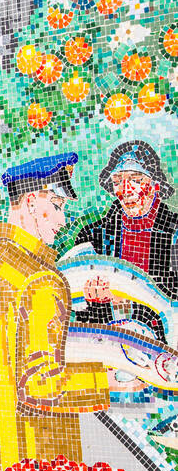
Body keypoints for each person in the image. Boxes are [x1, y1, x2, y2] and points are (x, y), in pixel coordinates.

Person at [0, 153, 111, 471]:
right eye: (58, 204)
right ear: (32, 202)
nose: (63, 220)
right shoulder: (41, 279)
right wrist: (110, 379)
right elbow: (39, 385)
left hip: (1, 466)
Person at [75, 140, 178, 343]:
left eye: (136, 179)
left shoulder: (175, 232)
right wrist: (96, 301)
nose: (126, 189)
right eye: (117, 181)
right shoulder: (93, 236)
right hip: (111, 348)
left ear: (156, 184)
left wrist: (129, 302)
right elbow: (81, 318)